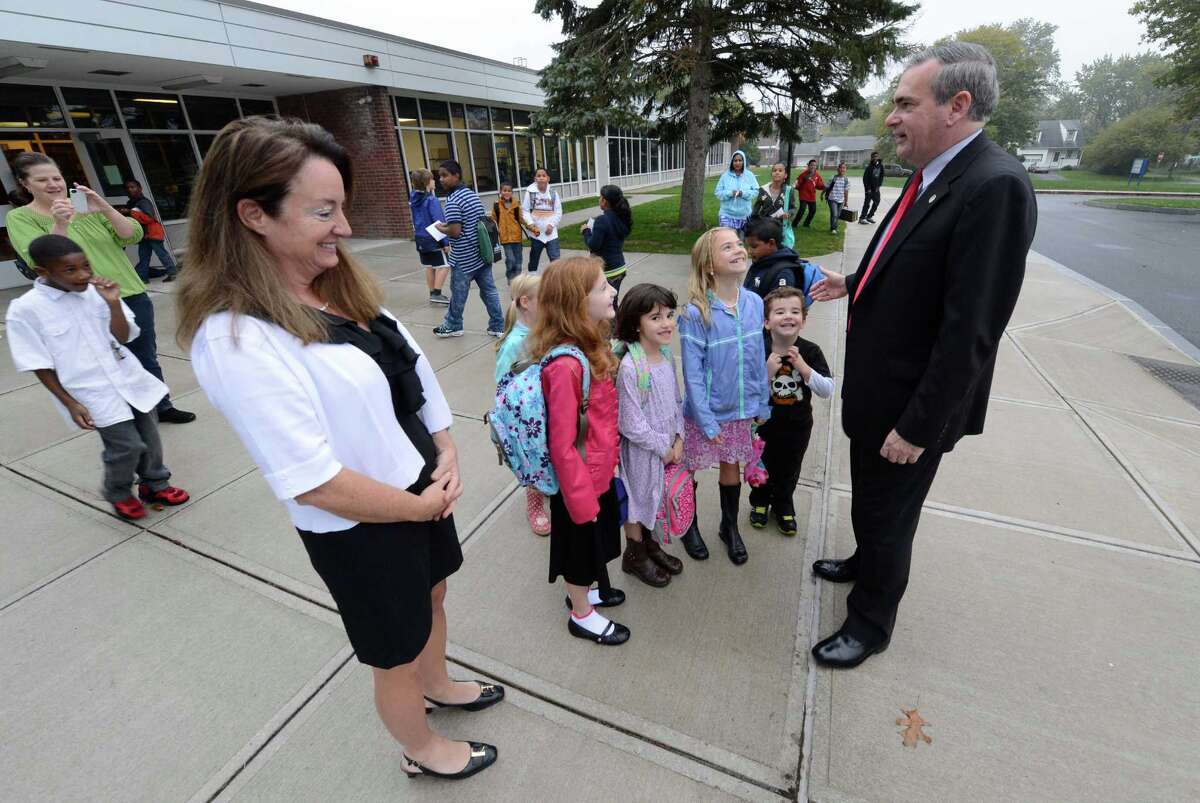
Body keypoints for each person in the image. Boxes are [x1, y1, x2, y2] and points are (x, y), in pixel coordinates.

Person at [177, 117, 500, 780]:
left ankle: (437, 683)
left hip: (420, 487)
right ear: (252, 214)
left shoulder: (330, 280)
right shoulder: (236, 337)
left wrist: (444, 446)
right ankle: (423, 748)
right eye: (324, 211)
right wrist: (414, 508)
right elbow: (312, 479)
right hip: (363, 523)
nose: (345, 228)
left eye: (343, 208)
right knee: (393, 648)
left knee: (433, 597)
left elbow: (403, 362)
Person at [809, 42, 1036, 669]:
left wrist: (918, 426)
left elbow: (971, 332)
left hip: (909, 407)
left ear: (956, 106)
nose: (891, 117)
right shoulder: (935, 173)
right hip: (878, 391)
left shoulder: (994, 187)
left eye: (906, 103)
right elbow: (921, 268)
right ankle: (863, 563)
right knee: (871, 503)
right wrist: (854, 283)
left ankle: (871, 621)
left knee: (891, 516)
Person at [7, 234, 190, 520]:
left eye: (86, 266)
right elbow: (37, 362)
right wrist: (69, 402)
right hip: (89, 391)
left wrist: (114, 303)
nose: (83, 275)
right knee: (125, 445)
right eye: (71, 270)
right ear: (44, 272)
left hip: (128, 378)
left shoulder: (95, 292)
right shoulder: (26, 309)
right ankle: (117, 491)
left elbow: (124, 335)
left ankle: (155, 484)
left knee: (150, 436)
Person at [7, 152, 195, 424]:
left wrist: (104, 207)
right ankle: (125, 416)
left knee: (145, 355)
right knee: (102, 363)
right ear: (25, 184)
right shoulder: (21, 218)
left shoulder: (85, 207)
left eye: (57, 177)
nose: (53, 184)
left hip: (127, 291)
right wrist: (61, 222)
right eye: (42, 179)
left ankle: (159, 406)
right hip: (81, 302)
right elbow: (42, 257)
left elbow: (132, 234)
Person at [527, 256, 629, 646]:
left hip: (597, 475)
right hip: (578, 487)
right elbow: (562, 444)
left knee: (599, 543)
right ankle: (581, 613)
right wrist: (580, 501)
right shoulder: (566, 365)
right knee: (579, 552)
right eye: (603, 288)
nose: (613, 291)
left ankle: (590, 590)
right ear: (575, 303)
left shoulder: (588, 346)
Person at [678, 227, 770, 565]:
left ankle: (729, 527)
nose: (739, 249)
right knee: (689, 468)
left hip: (739, 409)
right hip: (706, 413)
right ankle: (688, 525)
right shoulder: (695, 313)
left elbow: (758, 358)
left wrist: (762, 402)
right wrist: (706, 420)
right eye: (726, 247)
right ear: (709, 266)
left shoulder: (755, 303)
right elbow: (693, 374)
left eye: (739, 244)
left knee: (730, 465)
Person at [613, 283, 686, 588]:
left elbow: (676, 401)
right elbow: (630, 423)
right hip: (643, 453)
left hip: (668, 446)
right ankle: (635, 554)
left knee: (656, 499)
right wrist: (663, 448)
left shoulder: (667, 356)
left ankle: (651, 544)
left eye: (669, 315)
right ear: (635, 324)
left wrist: (679, 437)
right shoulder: (631, 367)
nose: (667, 323)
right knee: (638, 501)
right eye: (655, 318)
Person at [748, 286, 832, 536]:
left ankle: (784, 503)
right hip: (763, 424)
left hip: (798, 425)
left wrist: (804, 368)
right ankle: (760, 502)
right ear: (766, 321)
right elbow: (747, 391)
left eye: (795, 311)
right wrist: (767, 373)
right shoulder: (759, 349)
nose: (788, 316)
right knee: (761, 466)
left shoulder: (810, 351)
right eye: (780, 311)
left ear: (803, 320)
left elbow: (827, 389)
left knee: (789, 468)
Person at [494, 272, 550, 537]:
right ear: (526, 302)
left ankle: (549, 485)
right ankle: (535, 505)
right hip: (527, 419)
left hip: (548, 408)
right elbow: (503, 387)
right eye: (547, 298)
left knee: (550, 456)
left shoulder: (544, 331)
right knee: (534, 460)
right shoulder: (515, 344)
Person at [432, 160, 505, 339]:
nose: (441, 179)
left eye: (445, 175)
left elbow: (455, 232)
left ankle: (453, 325)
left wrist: (441, 228)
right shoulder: (470, 194)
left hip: (464, 258)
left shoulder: (452, 201)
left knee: (458, 293)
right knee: (489, 291)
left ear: (456, 176)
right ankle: (498, 326)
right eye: (439, 176)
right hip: (482, 253)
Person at [743, 218, 822, 302]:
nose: (749, 251)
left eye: (754, 246)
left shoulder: (784, 274)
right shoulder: (761, 263)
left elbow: (781, 308)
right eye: (748, 246)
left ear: (771, 243)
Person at [581, 184, 632, 302]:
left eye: (600, 197)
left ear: (604, 201)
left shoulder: (602, 220)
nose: (599, 199)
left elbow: (593, 245)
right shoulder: (622, 218)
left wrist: (586, 231)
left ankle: (612, 320)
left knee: (604, 305)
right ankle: (616, 320)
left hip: (607, 271)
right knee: (612, 302)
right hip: (619, 268)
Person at [408, 168, 451, 305]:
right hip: (433, 238)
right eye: (432, 179)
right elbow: (438, 222)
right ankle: (437, 293)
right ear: (427, 183)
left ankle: (432, 292)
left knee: (430, 266)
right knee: (444, 265)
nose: (435, 181)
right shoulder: (432, 200)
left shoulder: (413, 198)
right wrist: (445, 243)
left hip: (420, 238)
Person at [123, 179, 178, 283]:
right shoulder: (132, 203)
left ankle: (173, 273)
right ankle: (143, 278)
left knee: (161, 254)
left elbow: (149, 218)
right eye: (128, 188)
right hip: (144, 235)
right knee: (143, 257)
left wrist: (130, 212)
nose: (130, 189)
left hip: (152, 233)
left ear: (140, 188)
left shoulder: (143, 202)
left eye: (132, 187)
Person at [490, 181, 533, 284]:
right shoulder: (496, 206)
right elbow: (493, 220)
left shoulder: (516, 205)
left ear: (512, 192)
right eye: (504, 190)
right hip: (505, 239)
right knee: (511, 260)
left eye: (509, 191)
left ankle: (517, 280)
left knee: (518, 261)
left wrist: (532, 227)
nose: (507, 192)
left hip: (517, 237)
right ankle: (510, 276)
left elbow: (522, 219)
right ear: (500, 192)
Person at [521, 168, 562, 273]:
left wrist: (552, 225)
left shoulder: (553, 193)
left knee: (555, 258)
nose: (541, 178)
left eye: (543, 175)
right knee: (534, 258)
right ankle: (532, 279)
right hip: (537, 234)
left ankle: (556, 280)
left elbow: (558, 212)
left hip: (551, 234)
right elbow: (525, 211)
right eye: (538, 176)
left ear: (548, 178)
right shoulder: (530, 193)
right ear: (535, 179)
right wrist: (531, 224)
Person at [750, 162, 797, 250]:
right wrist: (754, 225)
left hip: (780, 229)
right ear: (771, 173)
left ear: (785, 175)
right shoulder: (763, 190)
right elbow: (756, 209)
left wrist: (789, 213)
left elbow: (793, 208)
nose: (777, 172)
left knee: (779, 255)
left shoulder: (788, 190)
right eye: (774, 170)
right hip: (765, 228)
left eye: (780, 170)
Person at [714, 150, 758, 237]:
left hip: (744, 215)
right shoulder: (725, 176)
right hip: (727, 215)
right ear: (732, 162)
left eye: (740, 160)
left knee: (740, 243)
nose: (737, 163)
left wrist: (743, 194)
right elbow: (718, 192)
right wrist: (730, 193)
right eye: (735, 160)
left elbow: (756, 191)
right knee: (727, 241)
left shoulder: (750, 175)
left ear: (743, 161)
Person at [792, 159, 825, 229]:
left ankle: (806, 223)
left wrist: (824, 187)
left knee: (813, 210)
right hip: (803, 195)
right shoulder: (803, 174)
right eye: (811, 165)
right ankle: (794, 224)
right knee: (802, 210)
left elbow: (819, 185)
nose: (813, 167)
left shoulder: (817, 175)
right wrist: (797, 185)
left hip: (812, 196)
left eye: (814, 165)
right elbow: (797, 184)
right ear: (808, 166)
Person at [824, 162, 851, 234]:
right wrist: (822, 193)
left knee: (837, 215)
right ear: (838, 169)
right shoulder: (833, 178)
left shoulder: (846, 180)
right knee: (834, 214)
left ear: (846, 170)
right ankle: (834, 228)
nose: (842, 169)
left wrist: (846, 202)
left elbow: (846, 192)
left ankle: (833, 227)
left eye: (844, 168)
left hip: (841, 200)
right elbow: (827, 187)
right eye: (841, 167)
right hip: (832, 199)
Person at [860, 151, 885, 224]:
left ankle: (869, 216)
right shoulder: (869, 167)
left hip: (876, 189)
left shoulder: (880, 166)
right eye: (873, 157)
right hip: (869, 189)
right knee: (867, 203)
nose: (875, 158)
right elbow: (865, 179)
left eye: (876, 156)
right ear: (871, 158)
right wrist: (867, 189)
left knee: (877, 201)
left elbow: (881, 177)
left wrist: (879, 186)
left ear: (878, 157)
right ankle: (862, 218)